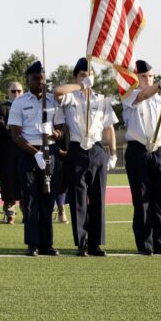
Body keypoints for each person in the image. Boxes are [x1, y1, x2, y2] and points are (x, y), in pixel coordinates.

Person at [54, 58, 119, 256]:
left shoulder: (102, 100)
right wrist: (81, 86)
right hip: (77, 149)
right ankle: (81, 243)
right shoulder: (70, 98)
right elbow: (57, 91)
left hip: (97, 149)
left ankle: (96, 243)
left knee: (98, 198)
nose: (87, 77)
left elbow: (109, 128)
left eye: (90, 74)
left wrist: (113, 153)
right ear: (76, 77)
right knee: (78, 199)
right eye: (82, 74)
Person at [8, 61, 64, 256]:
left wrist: (53, 133)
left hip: (51, 152)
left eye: (42, 78)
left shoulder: (53, 101)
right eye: (35, 78)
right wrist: (35, 153)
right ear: (28, 80)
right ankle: (33, 244)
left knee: (48, 200)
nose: (39, 82)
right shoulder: (20, 102)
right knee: (30, 200)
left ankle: (47, 243)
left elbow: (60, 132)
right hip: (29, 153)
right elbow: (15, 135)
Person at [121, 59, 161, 256]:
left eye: (151, 76)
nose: (148, 79)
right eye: (143, 76)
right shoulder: (130, 95)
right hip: (139, 150)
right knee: (142, 198)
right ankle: (145, 243)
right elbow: (143, 95)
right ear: (135, 78)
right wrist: (160, 85)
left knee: (160, 198)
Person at [0, 82, 24, 223]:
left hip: (25, 151)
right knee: (8, 182)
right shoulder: (1, 108)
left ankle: (27, 213)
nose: (16, 93)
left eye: (19, 91)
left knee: (26, 182)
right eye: (13, 91)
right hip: (6, 153)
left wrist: (13, 128)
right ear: (8, 92)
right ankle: (10, 213)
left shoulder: (28, 106)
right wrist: (18, 130)